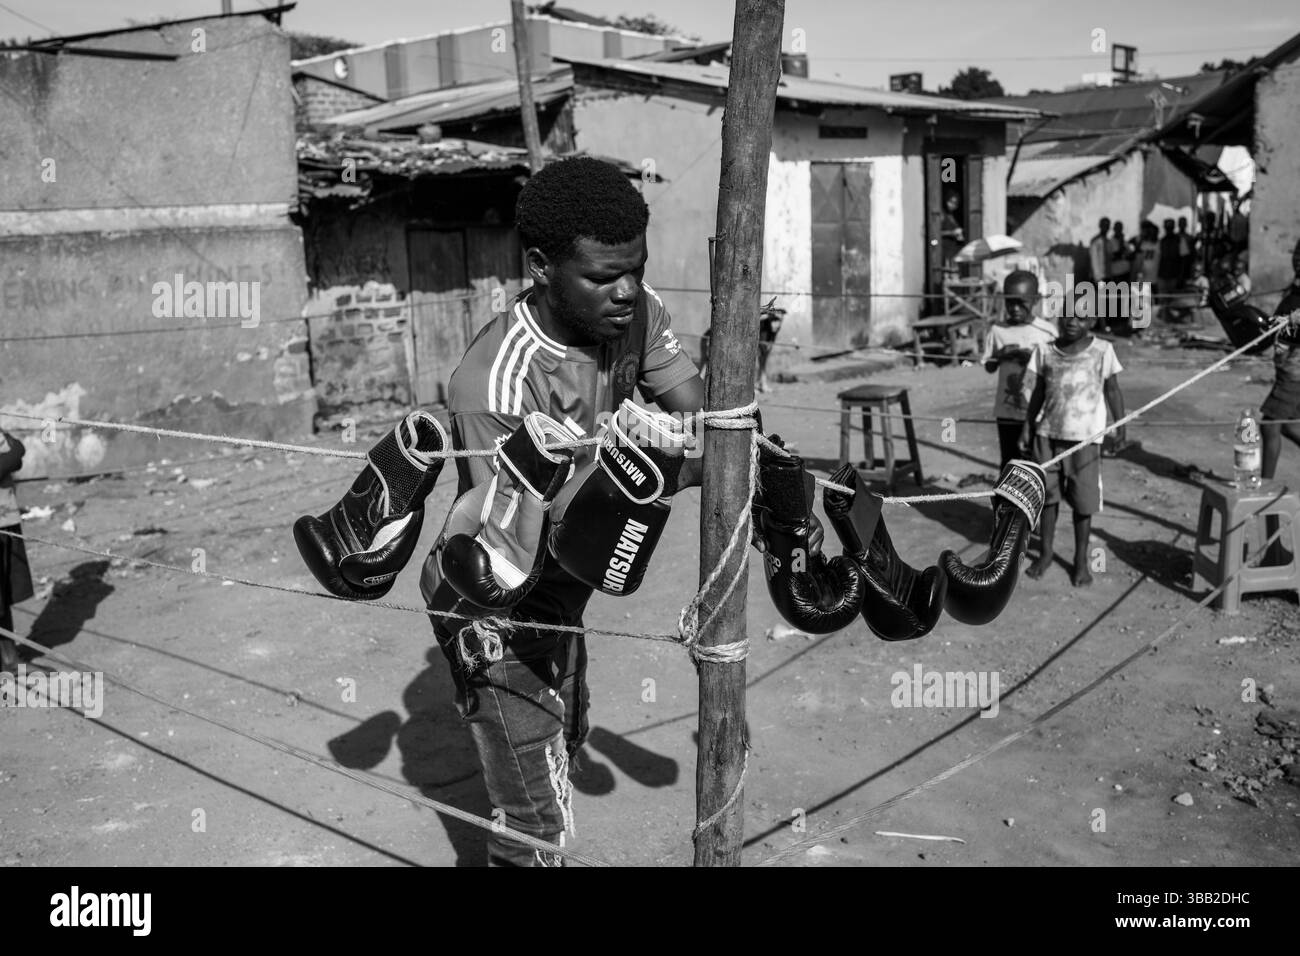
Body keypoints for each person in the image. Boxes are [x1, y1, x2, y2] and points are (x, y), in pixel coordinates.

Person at [1019, 309, 1127, 587]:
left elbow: (1112, 389)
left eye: (1081, 317)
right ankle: (1045, 553)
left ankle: (1080, 561)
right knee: (1047, 500)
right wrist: (1028, 426)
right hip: (1047, 436)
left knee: (1083, 503)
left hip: (1086, 440)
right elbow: (1039, 391)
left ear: (1092, 321)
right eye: (1066, 315)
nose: (1071, 321)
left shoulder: (1103, 350)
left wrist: (1121, 426)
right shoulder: (1045, 351)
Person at [981, 271, 1057, 467]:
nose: (1014, 308)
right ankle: (1007, 498)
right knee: (1009, 460)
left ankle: (1033, 497)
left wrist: (1030, 358)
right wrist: (1001, 355)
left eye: (1021, 302)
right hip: (1007, 410)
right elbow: (989, 366)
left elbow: (1056, 371)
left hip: (1038, 409)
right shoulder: (998, 330)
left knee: (1035, 460)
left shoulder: (1046, 332)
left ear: (1036, 300)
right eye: (1009, 302)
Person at [1260, 238, 1300, 486]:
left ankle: (1264, 487)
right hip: (1287, 364)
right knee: (1289, 426)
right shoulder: (1294, 289)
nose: (1298, 258)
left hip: (1296, 368)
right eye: (1297, 253)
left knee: (1270, 425)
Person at [0, 428, 32, 675]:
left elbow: (15, 458)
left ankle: (9, 658)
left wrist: (13, 453)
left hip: (5, 518)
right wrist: (13, 452)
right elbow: (13, 455)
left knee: (4, 593)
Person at [1157, 219, 1183, 321]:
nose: (1169, 230)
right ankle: (1163, 319)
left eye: (1170, 227)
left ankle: (1172, 320)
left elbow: (1183, 259)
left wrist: (1180, 275)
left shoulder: (1179, 240)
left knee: (1172, 300)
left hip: (1174, 274)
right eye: (1167, 227)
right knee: (1162, 299)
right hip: (1162, 274)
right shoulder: (1162, 241)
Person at [1088, 217, 1112, 286]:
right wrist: (1097, 278)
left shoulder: (1108, 242)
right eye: (1104, 225)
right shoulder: (1095, 241)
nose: (1105, 227)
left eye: (1107, 226)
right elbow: (1094, 260)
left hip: (1107, 276)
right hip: (1098, 278)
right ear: (1100, 226)